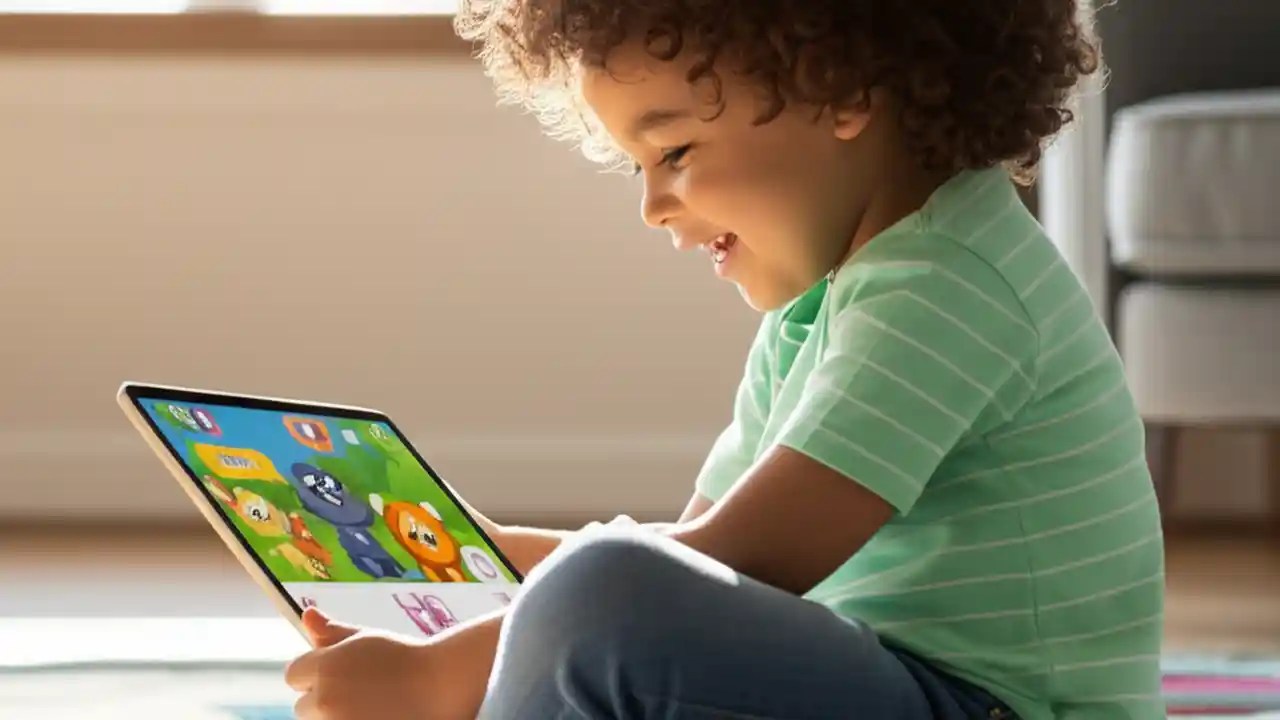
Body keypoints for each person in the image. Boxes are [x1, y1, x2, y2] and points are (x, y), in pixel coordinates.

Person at [284, 0, 1165, 717]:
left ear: (841, 88)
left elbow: (739, 562)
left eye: (673, 153)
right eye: (636, 164)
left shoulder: (948, 287)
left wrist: (440, 674)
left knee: (607, 594)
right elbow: (695, 561)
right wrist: (504, 558)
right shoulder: (821, 305)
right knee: (606, 589)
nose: (652, 207)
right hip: (897, 683)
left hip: (984, 707)